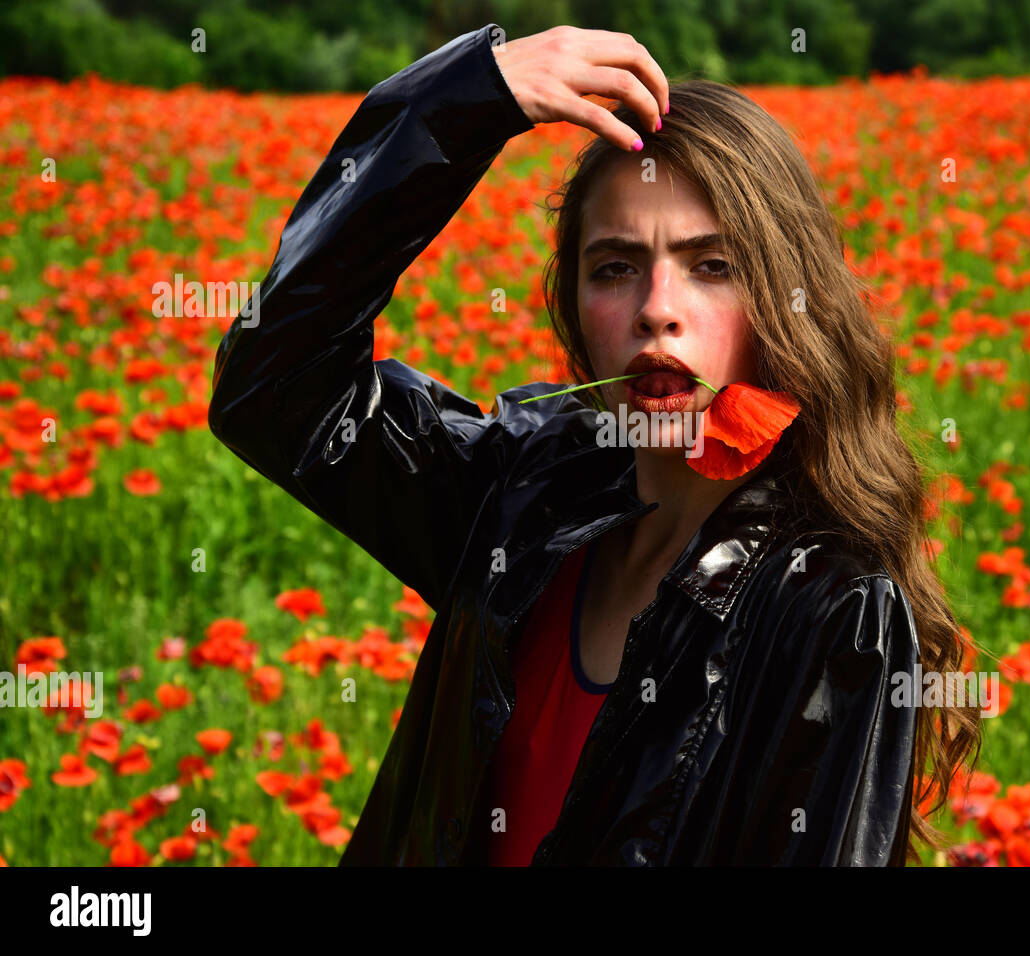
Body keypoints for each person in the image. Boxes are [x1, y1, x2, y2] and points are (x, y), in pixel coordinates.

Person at [208, 21, 979, 866]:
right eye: (614, 266)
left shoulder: (830, 608)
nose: (657, 308)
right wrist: (465, 100)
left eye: (711, 265)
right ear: (573, 304)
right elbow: (275, 388)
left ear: (788, 298)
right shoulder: (522, 492)